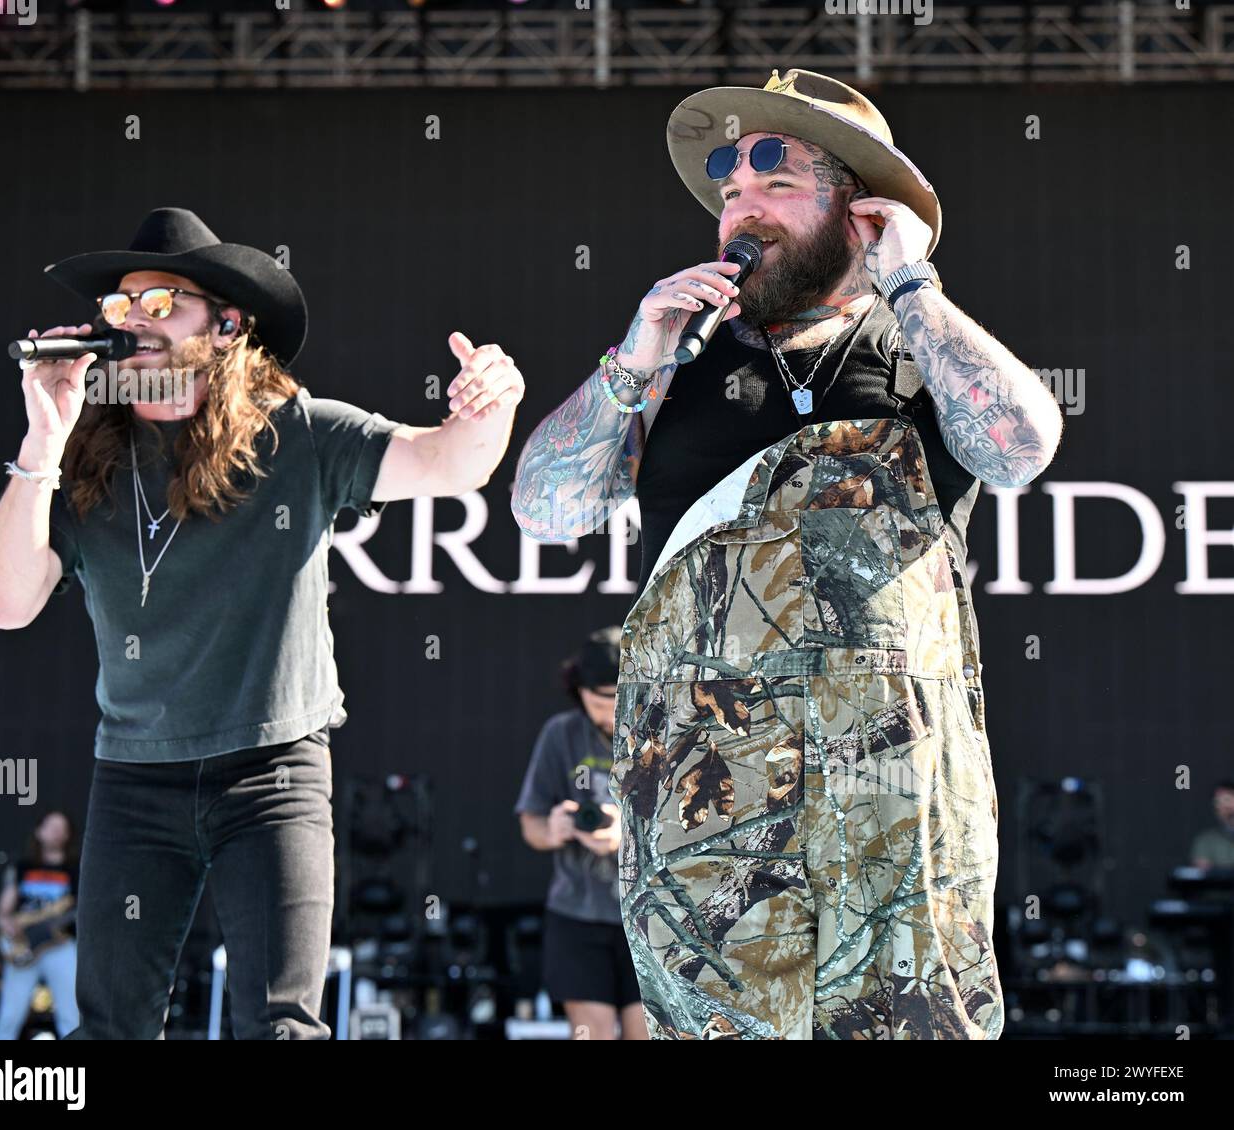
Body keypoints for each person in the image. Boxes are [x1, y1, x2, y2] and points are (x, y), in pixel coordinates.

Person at [512, 69, 1063, 1039]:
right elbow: (545, 510)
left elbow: (1023, 448)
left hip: (890, 792)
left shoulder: (919, 341)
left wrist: (911, 282)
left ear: (861, 209)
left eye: (776, 182)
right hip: (708, 797)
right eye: (729, 191)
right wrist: (633, 358)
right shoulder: (675, 366)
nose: (741, 209)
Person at [0, 207, 525, 1039]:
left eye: (163, 303)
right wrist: (43, 440)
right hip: (134, 777)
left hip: (271, 773)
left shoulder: (295, 433)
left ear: (226, 325)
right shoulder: (84, 460)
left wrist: (493, 401)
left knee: (279, 1025)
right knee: (110, 1026)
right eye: (121, 306)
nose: (135, 321)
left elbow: (450, 462)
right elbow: (2, 604)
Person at [515, 628, 646, 1040]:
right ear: (580, 691)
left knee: (648, 1031)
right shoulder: (561, 734)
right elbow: (531, 824)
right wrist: (554, 829)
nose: (609, 715)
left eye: (617, 702)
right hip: (578, 913)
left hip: (648, 913)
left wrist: (625, 834)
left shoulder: (661, 730)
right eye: (599, 703)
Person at [0, 810, 81, 1039]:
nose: (57, 833)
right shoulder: (23, 867)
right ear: (39, 831)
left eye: (62, 828)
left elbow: (80, 909)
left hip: (60, 946)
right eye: (52, 827)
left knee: (71, 1017)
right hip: (23, 946)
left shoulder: (76, 869)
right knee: (9, 1017)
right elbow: (2, 913)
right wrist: (8, 925)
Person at [1190, 780, 1234, 870]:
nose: (1224, 807)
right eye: (1217, 803)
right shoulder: (1206, 841)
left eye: (1227, 800)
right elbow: (1203, 872)